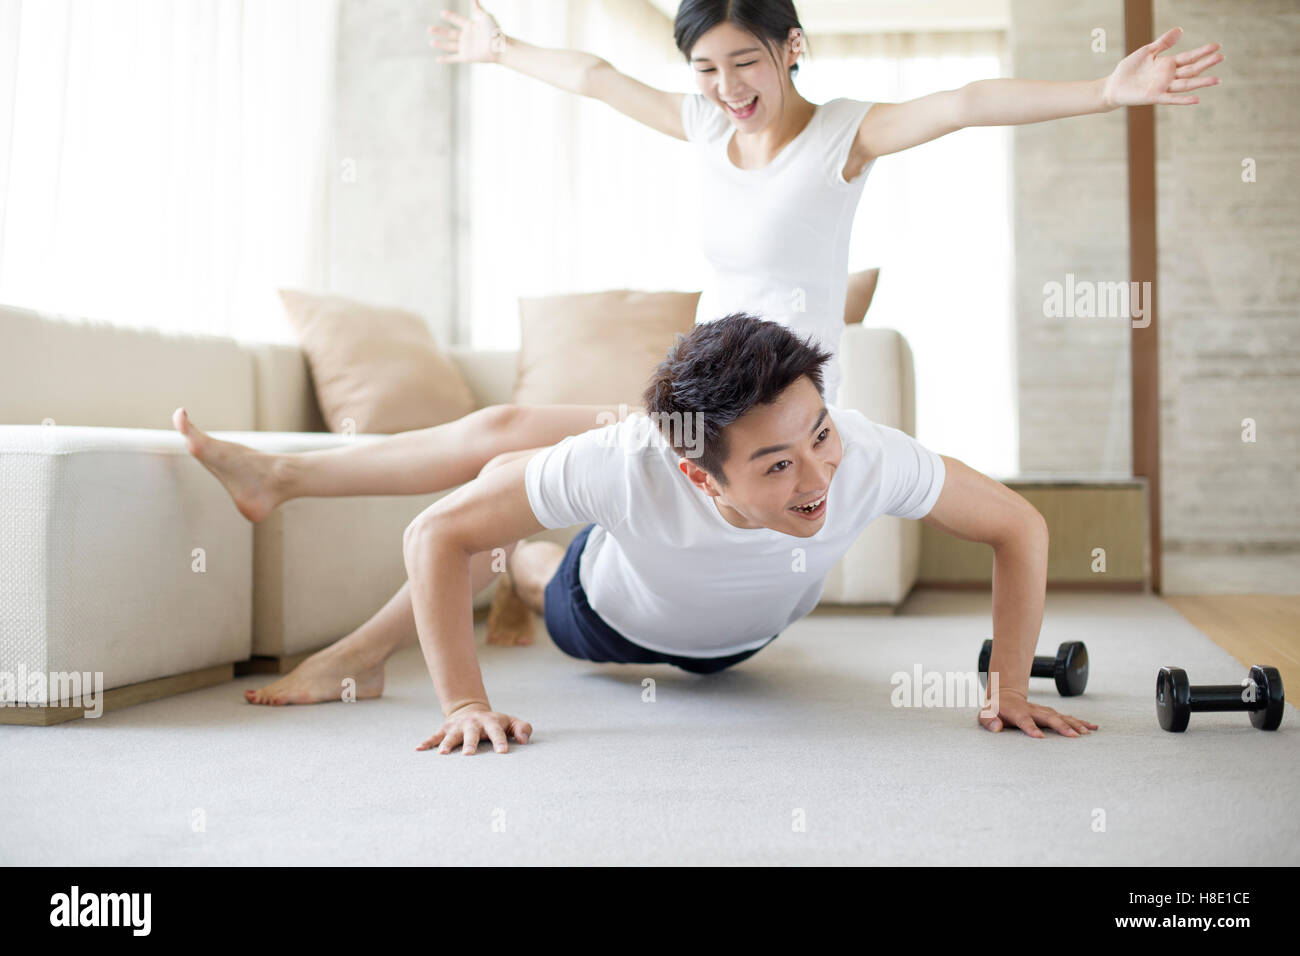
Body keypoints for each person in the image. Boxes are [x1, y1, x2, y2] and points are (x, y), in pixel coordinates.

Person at [174, 0, 1221, 702]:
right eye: (708, 68)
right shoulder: (706, 127)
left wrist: (1104, 93)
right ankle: (297, 493)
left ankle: (376, 598)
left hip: (782, 408)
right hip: (702, 398)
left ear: (792, 46)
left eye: (746, 64)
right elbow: (590, 76)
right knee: (501, 442)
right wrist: (499, 51)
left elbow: (965, 105)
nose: (727, 88)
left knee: (504, 463)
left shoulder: (842, 135)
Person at [395, 313, 1098, 752]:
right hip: (607, 620)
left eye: (820, 435)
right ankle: (522, 562)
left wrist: (1007, 687)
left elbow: (1019, 526)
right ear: (703, 477)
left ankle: (520, 493)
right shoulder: (625, 461)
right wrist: (464, 705)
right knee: (542, 568)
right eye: (779, 465)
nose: (819, 477)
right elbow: (434, 534)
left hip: (744, 641)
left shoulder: (868, 453)